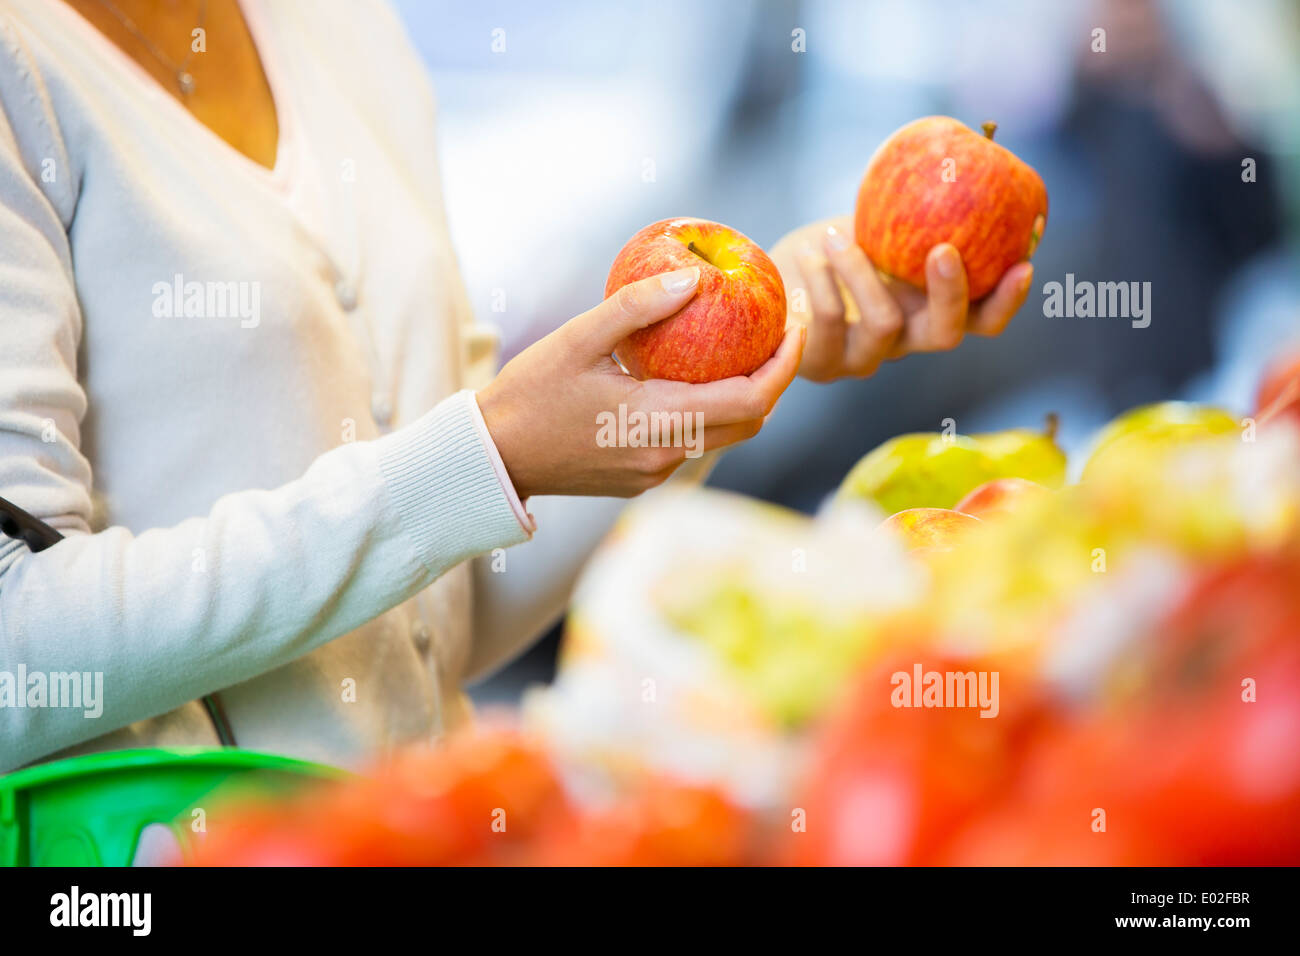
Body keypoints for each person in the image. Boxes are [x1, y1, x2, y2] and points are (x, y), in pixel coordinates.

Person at [0, 0, 1030, 772]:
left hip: (425, 826)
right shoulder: (24, 63)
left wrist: (768, 340)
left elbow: (437, 608)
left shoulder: (340, 30)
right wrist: (485, 453)